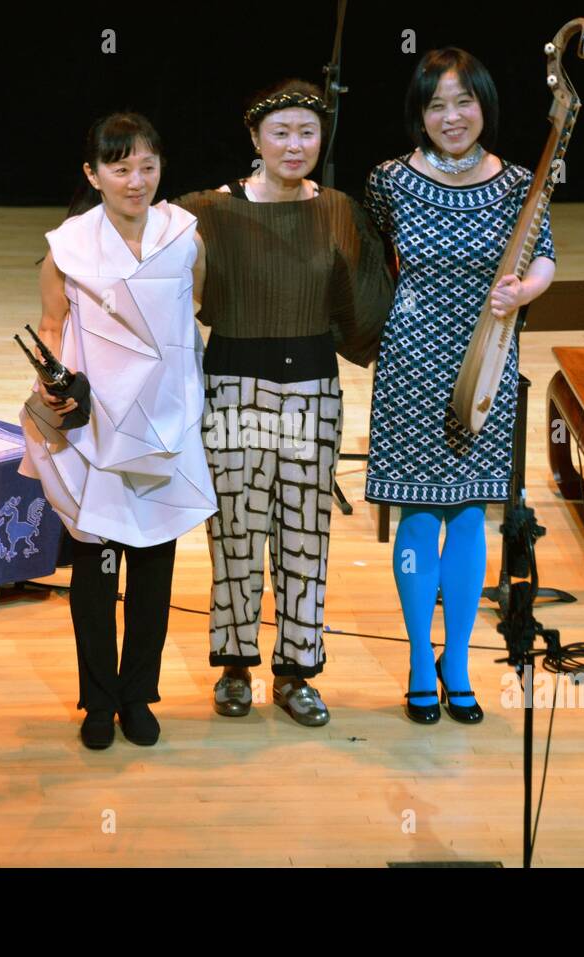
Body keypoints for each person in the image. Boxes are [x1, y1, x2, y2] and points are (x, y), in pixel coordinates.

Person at [175, 80, 394, 726]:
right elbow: (142, 248)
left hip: (312, 388)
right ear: (255, 140)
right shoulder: (207, 211)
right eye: (281, 132)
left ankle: (297, 669)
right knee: (236, 529)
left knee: (305, 534)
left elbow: (365, 306)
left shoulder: (338, 211)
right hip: (233, 383)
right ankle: (236, 663)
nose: (294, 145)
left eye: (307, 132)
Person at [362, 49, 556, 725]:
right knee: (418, 510)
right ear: (420, 113)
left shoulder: (519, 185)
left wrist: (525, 289)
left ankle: (460, 660)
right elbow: (370, 259)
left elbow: (545, 254)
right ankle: (421, 660)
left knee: (471, 511)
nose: (452, 116)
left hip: (488, 361)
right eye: (436, 104)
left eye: (464, 102)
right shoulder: (388, 181)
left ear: (485, 105)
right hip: (412, 360)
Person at [19, 112, 216, 749]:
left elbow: (191, 313)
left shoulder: (184, 233)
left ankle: (139, 695)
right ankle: (98, 700)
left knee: (155, 566)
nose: (136, 180)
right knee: (98, 570)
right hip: (96, 427)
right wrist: (56, 384)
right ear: (93, 173)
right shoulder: (69, 244)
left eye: (147, 166)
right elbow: (51, 328)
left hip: (162, 422)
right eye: (120, 167)